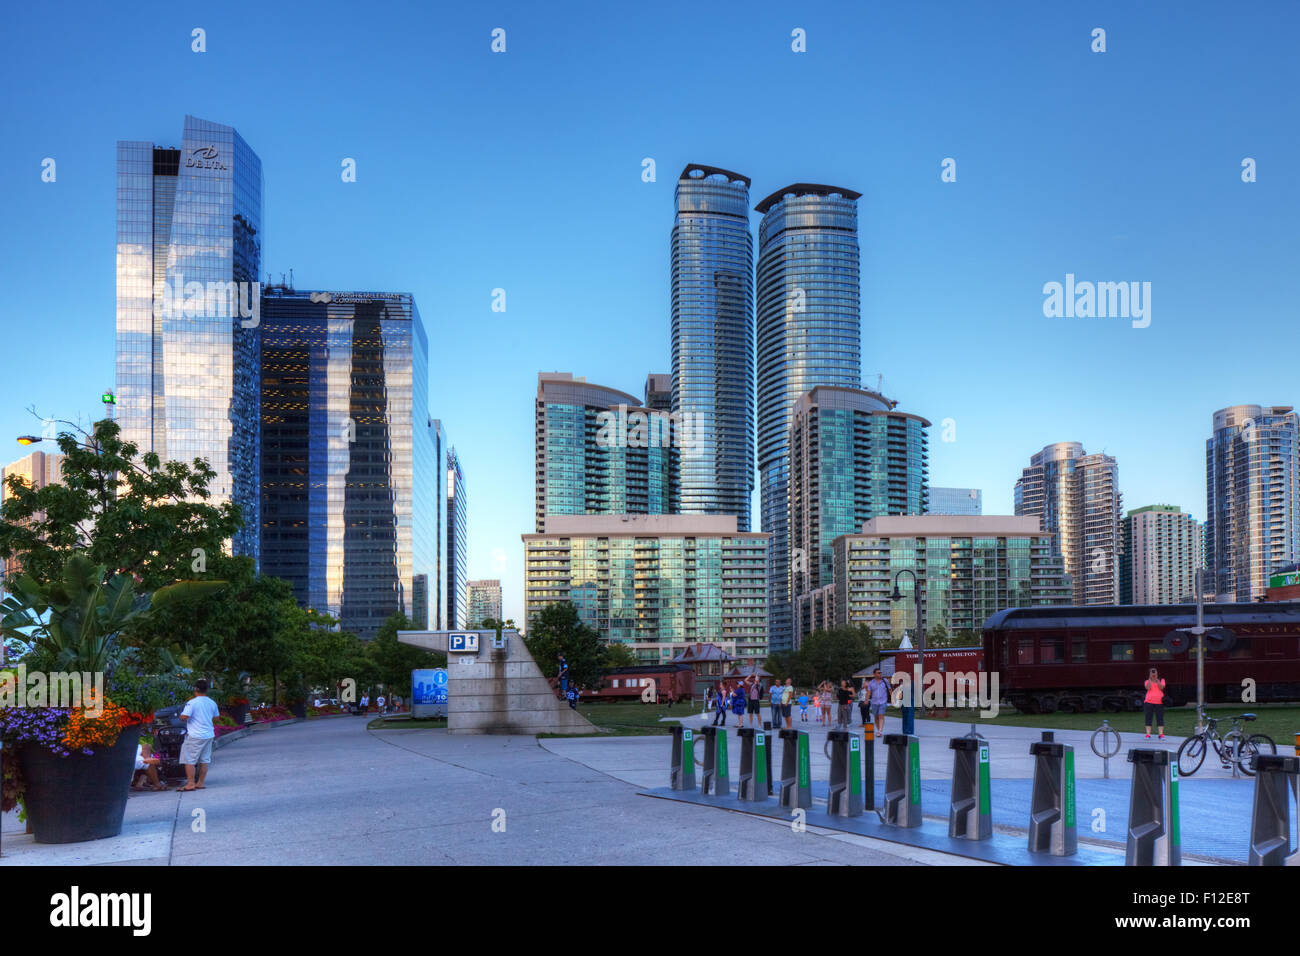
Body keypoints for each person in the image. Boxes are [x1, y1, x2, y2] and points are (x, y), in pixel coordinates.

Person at [178, 678, 221, 791]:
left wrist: (181, 717)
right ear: (206, 689)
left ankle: (190, 784)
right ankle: (200, 783)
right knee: (205, 760)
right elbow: (216, 718)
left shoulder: (192, 702)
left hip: (195, 735)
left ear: (196, 689)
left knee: (189, 760)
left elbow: (184, 716)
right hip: (209, 734)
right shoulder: (212, 702)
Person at [866, 668, 891, 737]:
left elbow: (890, 690)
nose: (880, 674)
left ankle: (880, 730)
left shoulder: (885, 681)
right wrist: (866, 700)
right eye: (878, 673)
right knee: (876, 716)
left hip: (883, 701)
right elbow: (868, 692)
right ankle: (878, 729)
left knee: (881, 715)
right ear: (874, 674)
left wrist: (893, 698)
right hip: (874, 702)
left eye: (880, 673)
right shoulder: (871, 683)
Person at [1143, 667, 1166, 740]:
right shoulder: (1147, 681)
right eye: (1152, 673)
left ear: (1157, 673)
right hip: (1148, 702)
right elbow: (1148, 688)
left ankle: (1161, 734)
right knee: (1148, 718)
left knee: (1160, 718)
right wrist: (1150, 679)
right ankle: (1148, 734)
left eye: (1155, 672)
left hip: (1159, 702)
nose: (1153, 674)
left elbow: (1161, 687)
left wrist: (1156, 680)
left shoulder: (1161, 680)